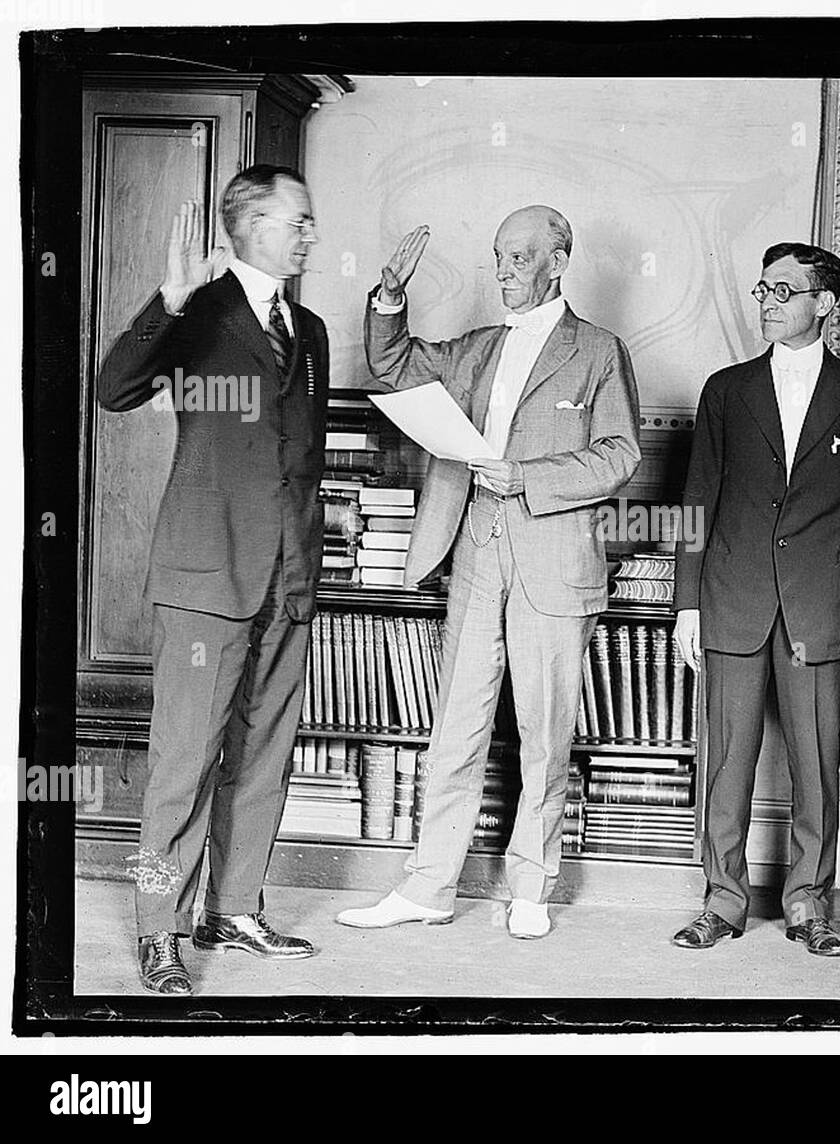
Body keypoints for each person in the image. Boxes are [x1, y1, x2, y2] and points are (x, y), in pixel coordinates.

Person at [336, 206, 640, 939]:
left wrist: (525, 476)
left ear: (558, 261)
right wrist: (387, 300)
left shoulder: (598, 350)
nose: (501, 271)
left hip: (553, 560)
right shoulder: (479, 347)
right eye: (498, 256)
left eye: (517, 258)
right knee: (456, 727)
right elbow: (394, 365)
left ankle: (531, 888)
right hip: (476, 550)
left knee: (544, 733)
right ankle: (429, 886)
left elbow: (621, 454)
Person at [97, 165, 329, 996]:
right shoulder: (195, 312)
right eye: (297, 219)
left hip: (288, 577)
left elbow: (298, 459)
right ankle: (160, 927)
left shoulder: (309, 327)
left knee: (263, 756)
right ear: (251, 225)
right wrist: (167, 297)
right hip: (205, 576)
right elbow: (114, 389)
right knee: (184, 764)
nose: (309, 232)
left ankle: (233, 908)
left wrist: (308, 571)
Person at [670, 242, 840, 957]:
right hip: (732, 600)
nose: (766, 302)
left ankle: (809, 904)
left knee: (816, 765)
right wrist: (686, 604)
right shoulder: (725, 390)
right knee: (728, 761)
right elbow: (695, 501)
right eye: (761, 290)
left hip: (822, 608)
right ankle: (723, 902)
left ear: (824, 304)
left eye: (783, 291)